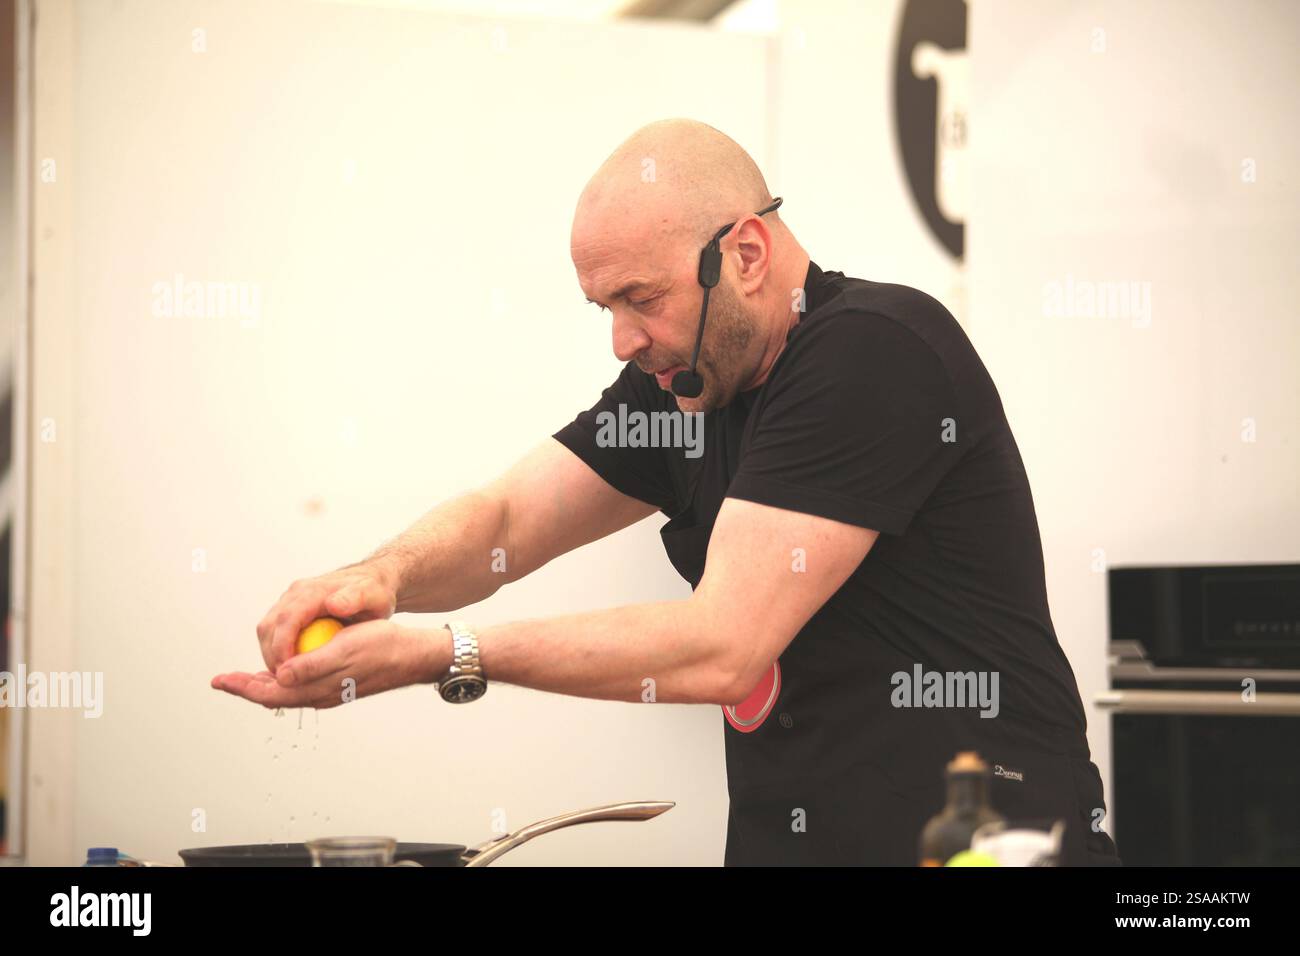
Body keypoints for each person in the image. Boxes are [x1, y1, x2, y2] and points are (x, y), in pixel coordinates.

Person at [212, 118, 1120, 866]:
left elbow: (722, 644)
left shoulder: (874, 354)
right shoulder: (685, 385)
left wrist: (443, 652)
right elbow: (509, 518)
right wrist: (383, 578)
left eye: (640, 298)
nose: (621, 340)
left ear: (749, 254)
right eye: (603, 308)